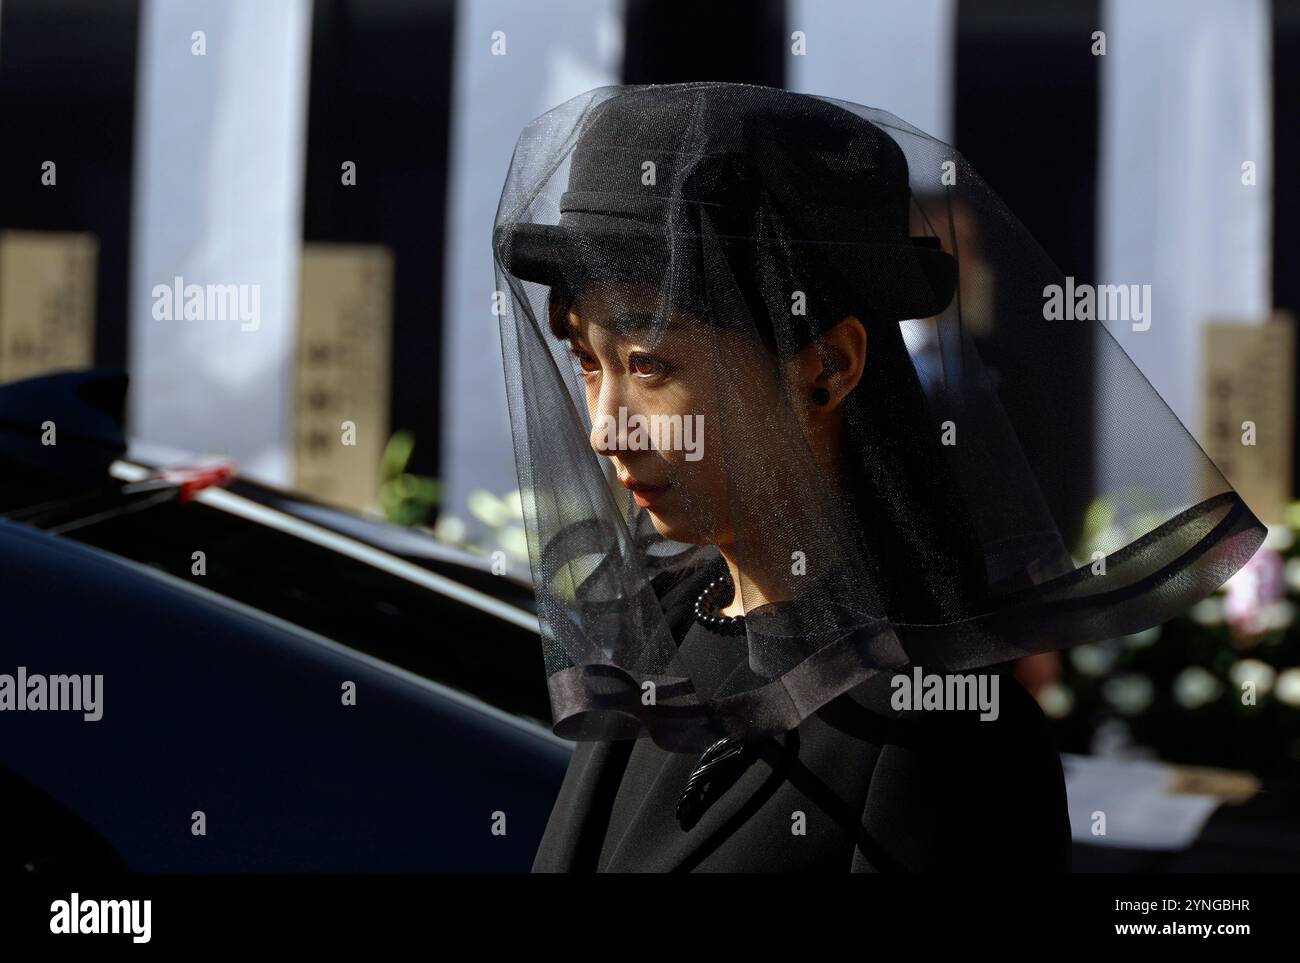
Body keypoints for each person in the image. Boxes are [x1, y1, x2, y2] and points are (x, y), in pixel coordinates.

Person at [490, 82, 1265, 872]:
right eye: (588, 363)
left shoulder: (944, 732)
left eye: (650, 365)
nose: (605, 428)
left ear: (827, 367)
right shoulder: (663, 635)